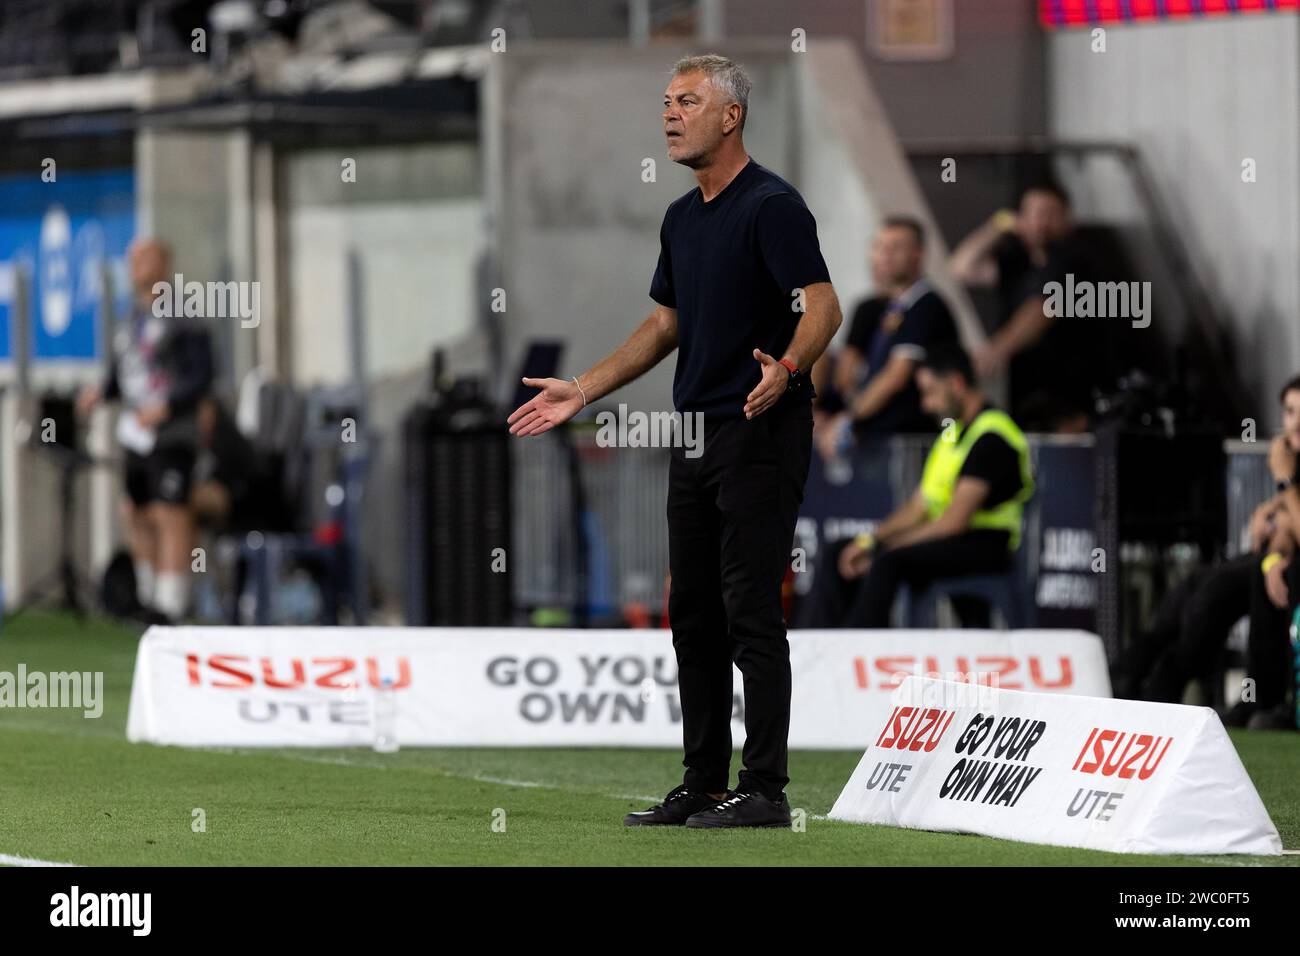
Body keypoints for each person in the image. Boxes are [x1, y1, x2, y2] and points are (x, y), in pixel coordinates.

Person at [506, 54, 841, 828]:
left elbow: (824, 306)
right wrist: (583, 388)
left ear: (731, 116)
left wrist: (789, 368)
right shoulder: (683, 217)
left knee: (749, 605)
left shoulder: (772, 206)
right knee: (691, 611)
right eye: (665, 101)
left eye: (686, 101)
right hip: (695, 434)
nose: (669, 114)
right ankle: (700, 780)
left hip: (761, 424)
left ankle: (764, 789)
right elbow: (666, 324)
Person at [1113, 377, 1300, 729]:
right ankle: (1133, 671)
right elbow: (1284, 531)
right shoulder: (1291, 457)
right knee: (1198, 583)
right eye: (1290, 412)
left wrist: (1284, 486)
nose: (1296, 422)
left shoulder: (1287, 467)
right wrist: (1276, 546)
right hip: (1280, 562)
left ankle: (1172, 682)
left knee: (1220, 591)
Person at [808, 344, 1033, 628]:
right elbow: (919, 506)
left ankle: (863, 652)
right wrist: (871, 541)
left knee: (888, 562)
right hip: (953, 538)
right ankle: (825, 645)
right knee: (840, 550)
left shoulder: (993, 436)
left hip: (987, 543)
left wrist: (883, 549)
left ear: (956, 383)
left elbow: (954, 522)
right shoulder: (952, 435)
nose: (926, 405)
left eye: (930, 392)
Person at [77, 238, 213, 622]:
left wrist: (166, 408)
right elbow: (124, 376)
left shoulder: (182, 315)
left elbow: (202, 376)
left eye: (144, 257)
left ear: (164, 262)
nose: (136, 264)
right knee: (136, 512)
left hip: (172, 434)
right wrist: (99, 393)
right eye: (132, 257)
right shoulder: (130, 318)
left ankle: (172, 604)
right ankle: (146, 598)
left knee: (171, 512)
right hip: (135, 434)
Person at [949, 183, 1102, 431]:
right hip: (1029, 388)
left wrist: (998, 349)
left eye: (1050, 214)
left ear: (1067, 219)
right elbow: (961, 268)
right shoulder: (1016, 261)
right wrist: (998, 225)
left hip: (1072, 389)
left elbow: (1043, 308)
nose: (1042, 223)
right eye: (1034, 213)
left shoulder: (1074, 259)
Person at [814, 216, 958, 460]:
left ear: (918, 254)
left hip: (913, 442)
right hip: (878, 439)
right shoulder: (887, 308)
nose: (886, 254)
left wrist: (847, 419)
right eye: (880, 246)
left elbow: (896, 376)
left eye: (896, 247)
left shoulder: (926, 305)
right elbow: (847, 371)